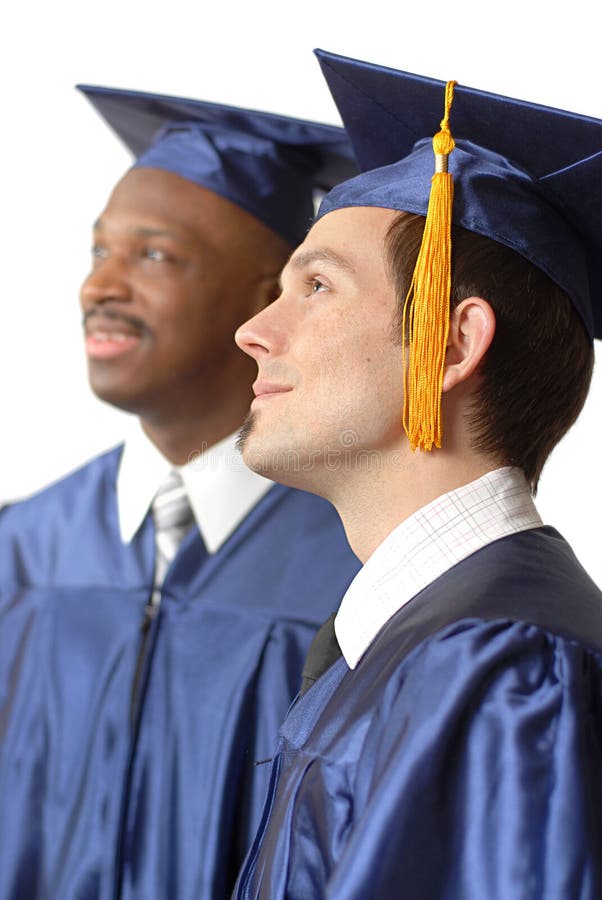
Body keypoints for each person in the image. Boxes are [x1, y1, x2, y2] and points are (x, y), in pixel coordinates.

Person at [232, 49, 602, 898]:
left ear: (453, 345)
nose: (254, 330)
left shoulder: (504, 665)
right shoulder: (420, 643)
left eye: (316, 286)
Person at [0, 85, 360, 900]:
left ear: (263, 298)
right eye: (100, 252)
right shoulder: (24, 545)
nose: (101, 286)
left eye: (153, 255)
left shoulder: (356, 567)